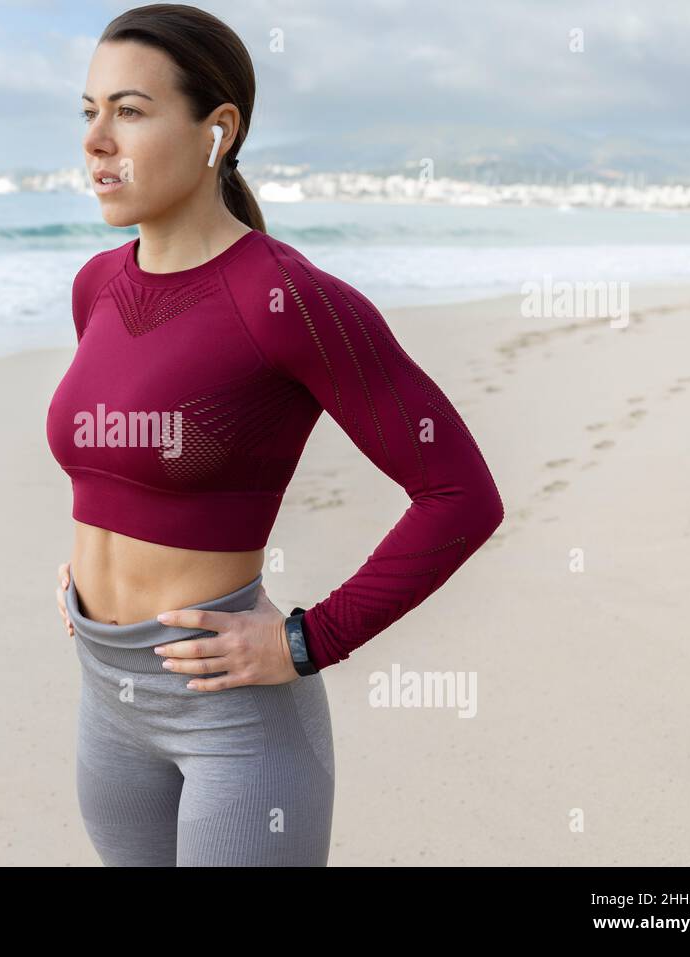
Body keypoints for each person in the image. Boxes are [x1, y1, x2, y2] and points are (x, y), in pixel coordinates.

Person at [47, 3, 504, 866]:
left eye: (130, 111)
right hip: (104, 700)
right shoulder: (96, 285)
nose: (96, 140)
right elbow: (128, 456)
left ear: (218, 130)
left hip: (233, 722)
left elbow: (461, 496)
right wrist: (92, 560)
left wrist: (307, 638)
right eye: (89, 111)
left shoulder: (284, 299)